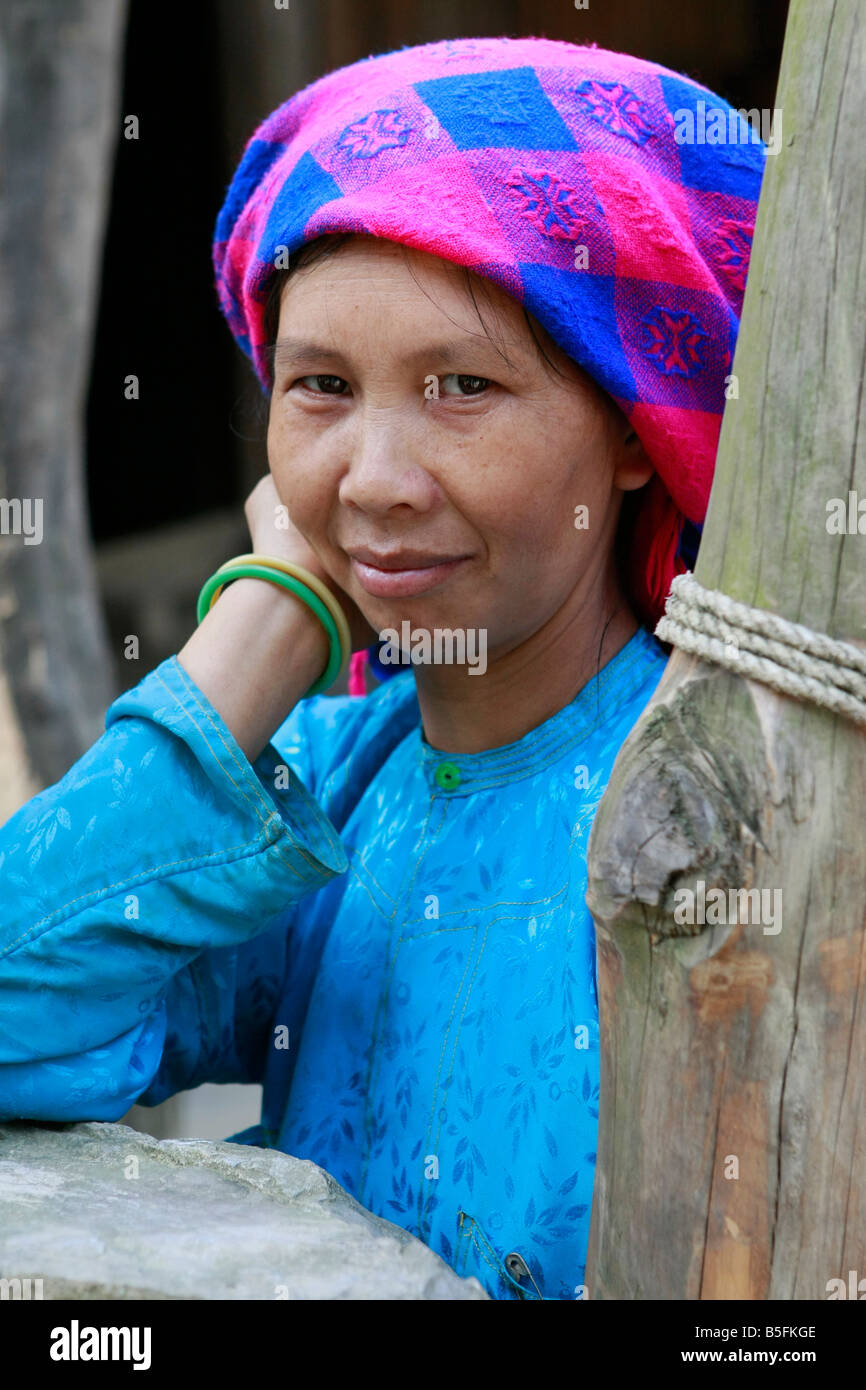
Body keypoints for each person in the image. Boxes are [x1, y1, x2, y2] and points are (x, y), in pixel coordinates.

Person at [0, 36, 764, 1300]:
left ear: (632, 426)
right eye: (320, 388)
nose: (371, 480)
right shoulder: (322, 793)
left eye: (461, 385)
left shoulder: (728, 807)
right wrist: (261, 623)